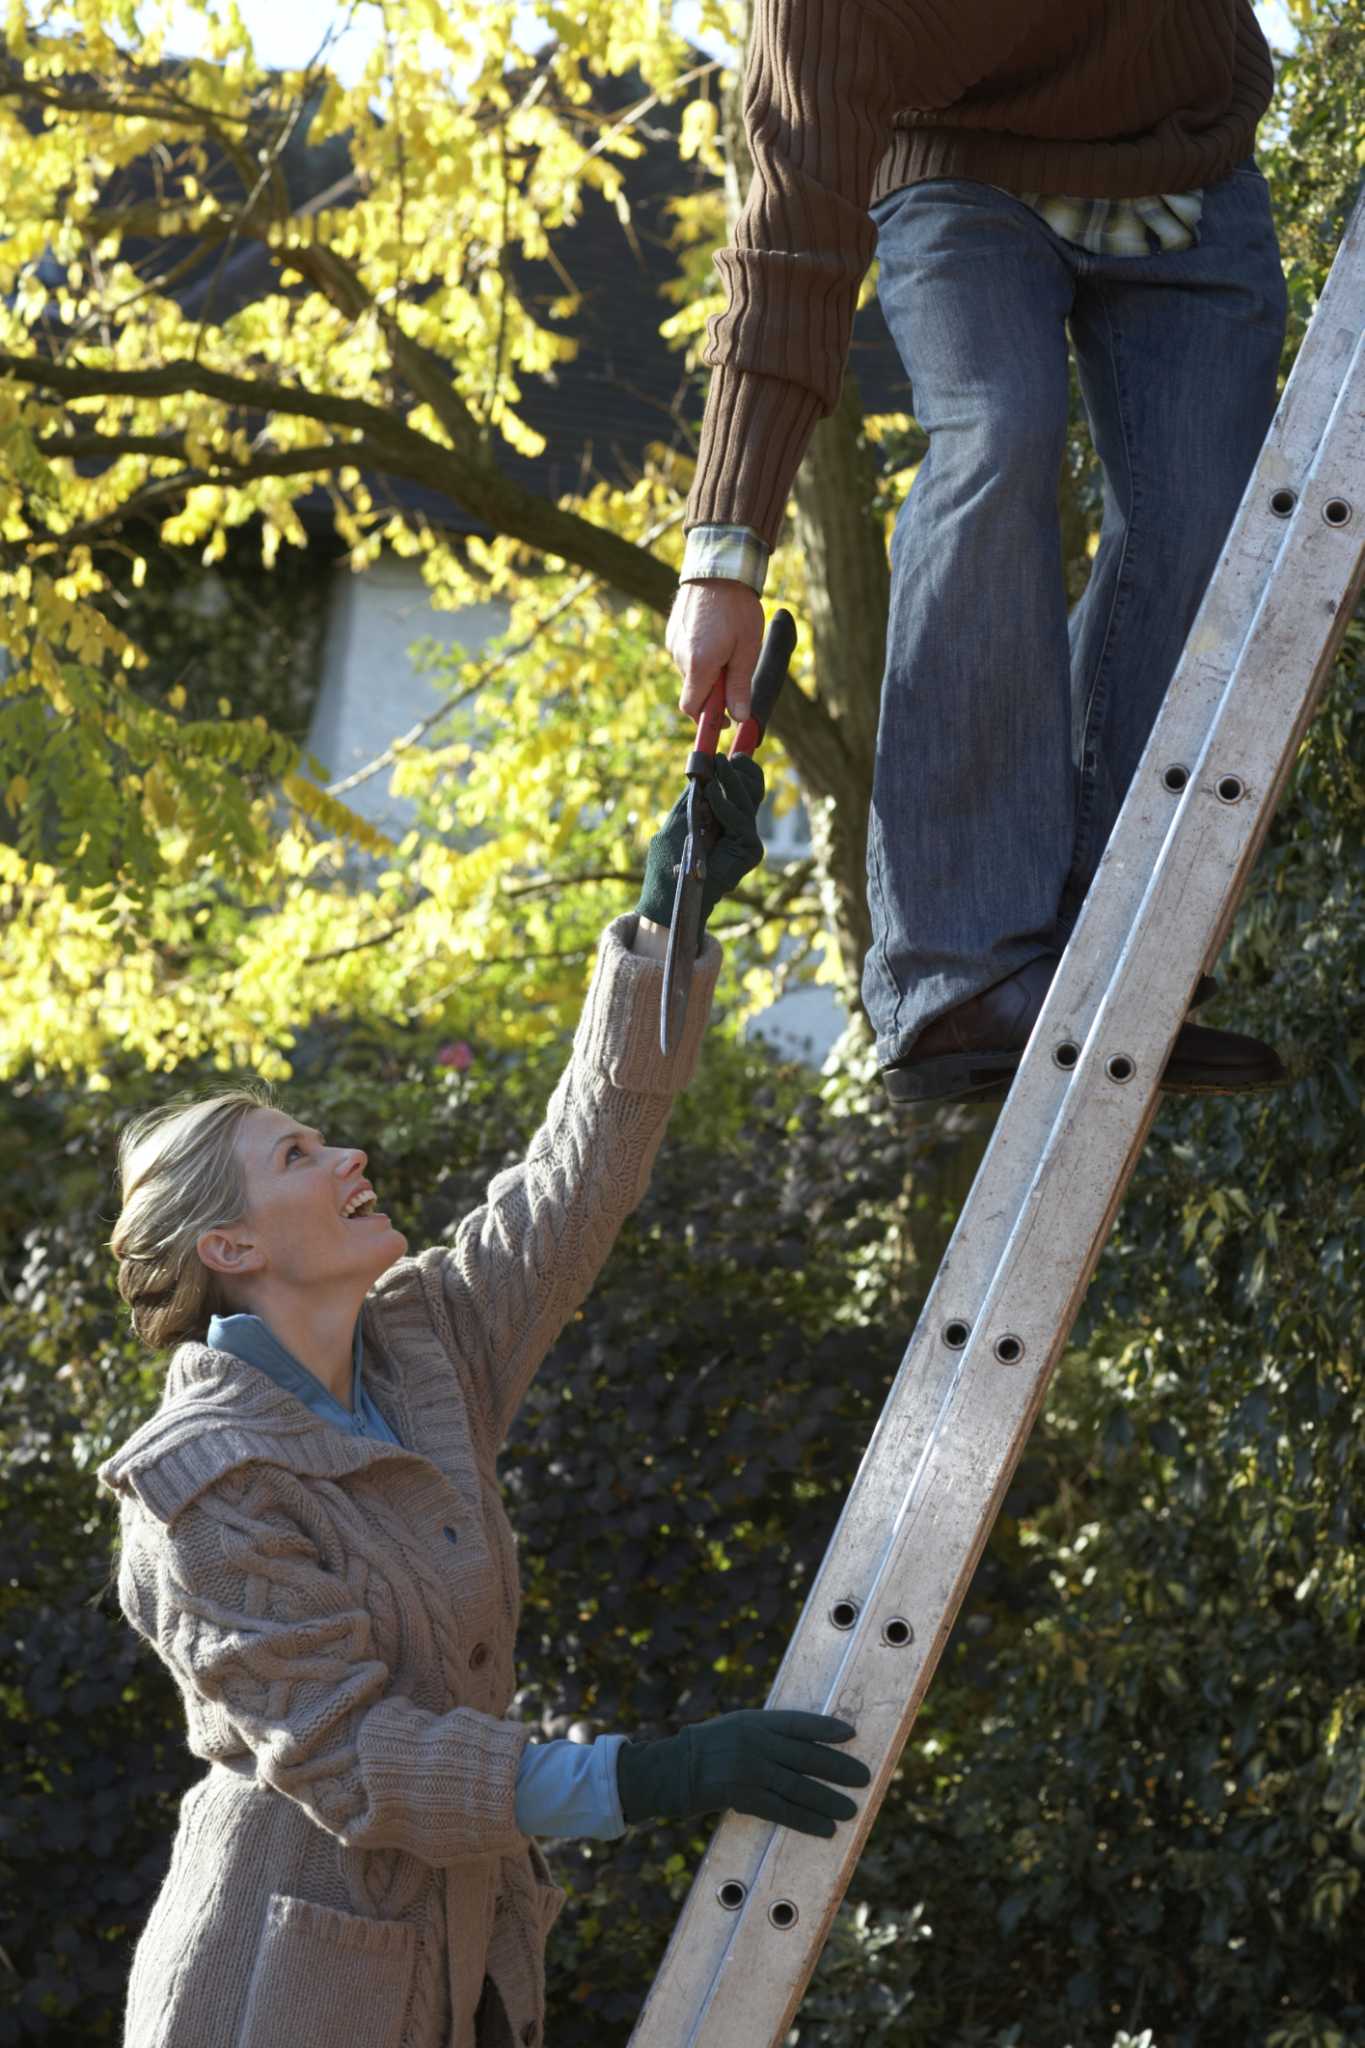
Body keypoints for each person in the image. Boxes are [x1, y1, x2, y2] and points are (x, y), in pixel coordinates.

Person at [95, 761, 871, 2048]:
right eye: (299, 1154)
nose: (350, 1157)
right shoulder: (199, 1489)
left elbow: (576, 1183)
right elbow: (365, 1761)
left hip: (468, 1966)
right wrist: (657, 1772)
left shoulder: (422, 1342)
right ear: (228, 1247)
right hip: (274, 1997)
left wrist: (663, 933)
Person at [667, 0, 1291, 1106]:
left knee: (1209, 520)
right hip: (960, 172)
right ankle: (956, 968)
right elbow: (790, 241)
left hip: (1189, 156)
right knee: (998, 429)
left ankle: (1118, 944)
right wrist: (725, 555)